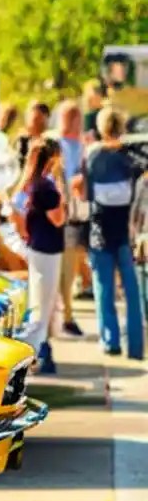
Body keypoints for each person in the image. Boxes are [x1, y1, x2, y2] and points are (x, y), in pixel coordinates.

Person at [86, 109, 144, 358]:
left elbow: (87, 194)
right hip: (124, 231)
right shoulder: (130, 155)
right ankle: (135, 345)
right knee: (132, 291)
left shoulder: (92, 155)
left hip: (99, 230)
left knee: (104, 289)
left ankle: (110, 341)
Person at [16, 140, 66, 374]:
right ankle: (29, 351)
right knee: (43, 306)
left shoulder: (34, 185)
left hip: (38, 246)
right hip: (48, 248)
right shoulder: (46, 188)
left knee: (41, 301)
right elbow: (58, 218)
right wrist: (62, 192)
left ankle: (35, 350)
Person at [55, 100, 92, 336]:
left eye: (77, 117)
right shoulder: (56, 144)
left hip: (73, 215)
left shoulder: (83, 147)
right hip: (56, 211)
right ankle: (60, 315)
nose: (75, 122)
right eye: (71, 117)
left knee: (68, 268)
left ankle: (67, 314)